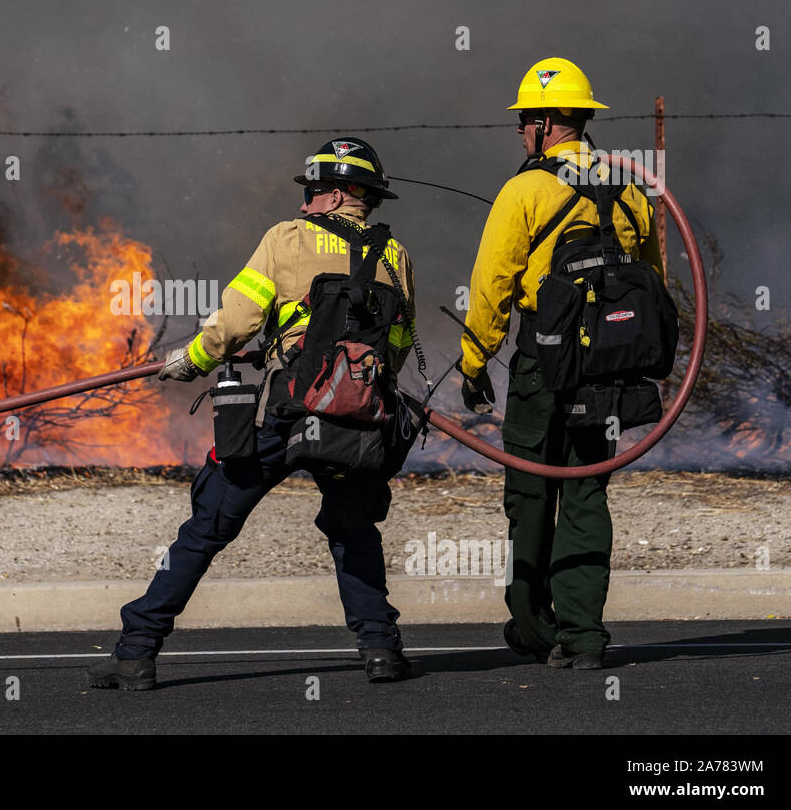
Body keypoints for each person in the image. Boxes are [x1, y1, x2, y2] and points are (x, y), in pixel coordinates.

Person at [87, 138, 418, 690]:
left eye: (313, 190)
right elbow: (401, 343)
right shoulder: (395, 255)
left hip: (285, 418)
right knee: (353, 529)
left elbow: (237, 319)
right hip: (357, 422)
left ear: (338, 193)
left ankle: (136, 652)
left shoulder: (284, 239)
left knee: (208, 526)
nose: (306, 200)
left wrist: (190, 360)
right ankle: (381, 651)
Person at [458, 57, 663, 670]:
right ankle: (585, 637)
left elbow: (492, 285)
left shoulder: (523, 190)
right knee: (586, 493)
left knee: (529, 491)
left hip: (541, 366)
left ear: (547, 122)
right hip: (607, 370)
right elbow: (650, 280)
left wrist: (474, 362)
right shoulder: (631, 186)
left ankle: (533, 626)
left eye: (525, 121)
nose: (521, 131)